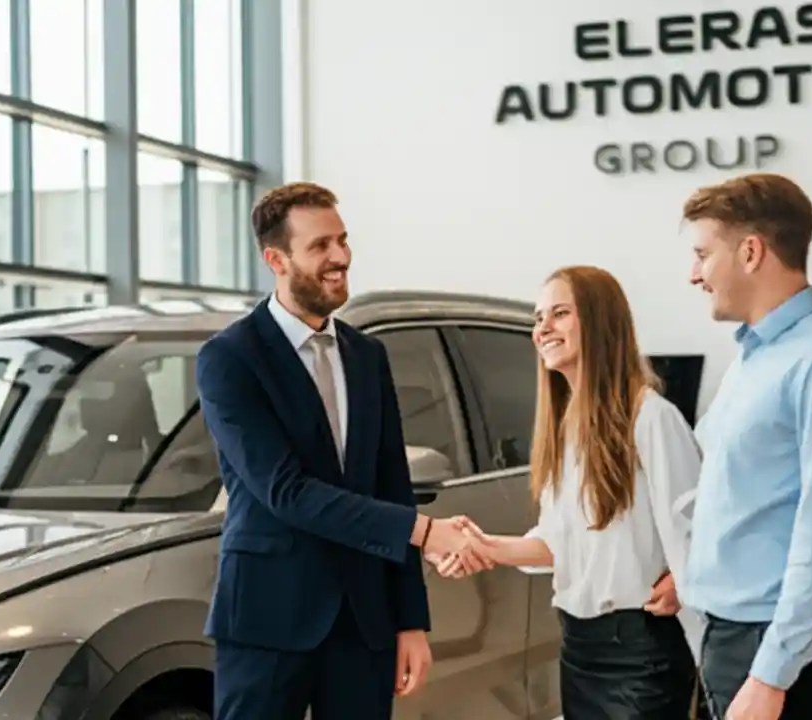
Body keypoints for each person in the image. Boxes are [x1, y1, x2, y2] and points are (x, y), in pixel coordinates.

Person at [195, 181, 489, 719]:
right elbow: (285, 491)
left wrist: (409, 620)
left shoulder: (366, 355)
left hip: (364, 621)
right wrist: (423, 533)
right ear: (276, 259)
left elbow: (391, 483)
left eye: (343, 240)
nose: (341, 257)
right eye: (321, 246)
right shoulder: (229, 358)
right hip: (267, 619)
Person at [434, 265, 705, 719]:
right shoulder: (567, 429)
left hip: (640, 652)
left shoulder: (651, 419)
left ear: (600, 322)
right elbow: (558, 544)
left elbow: (701, 527)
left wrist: (684, 578)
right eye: (540, 318)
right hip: (579, 649)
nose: (543, 329)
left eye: (559, 314)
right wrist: (484, 547)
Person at [678, 173, 812, 720]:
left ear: (751, 252)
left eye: (703, 254)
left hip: (781, 647)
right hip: (735, 635)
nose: (694, 274)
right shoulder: (755, 356)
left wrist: (771, 675)